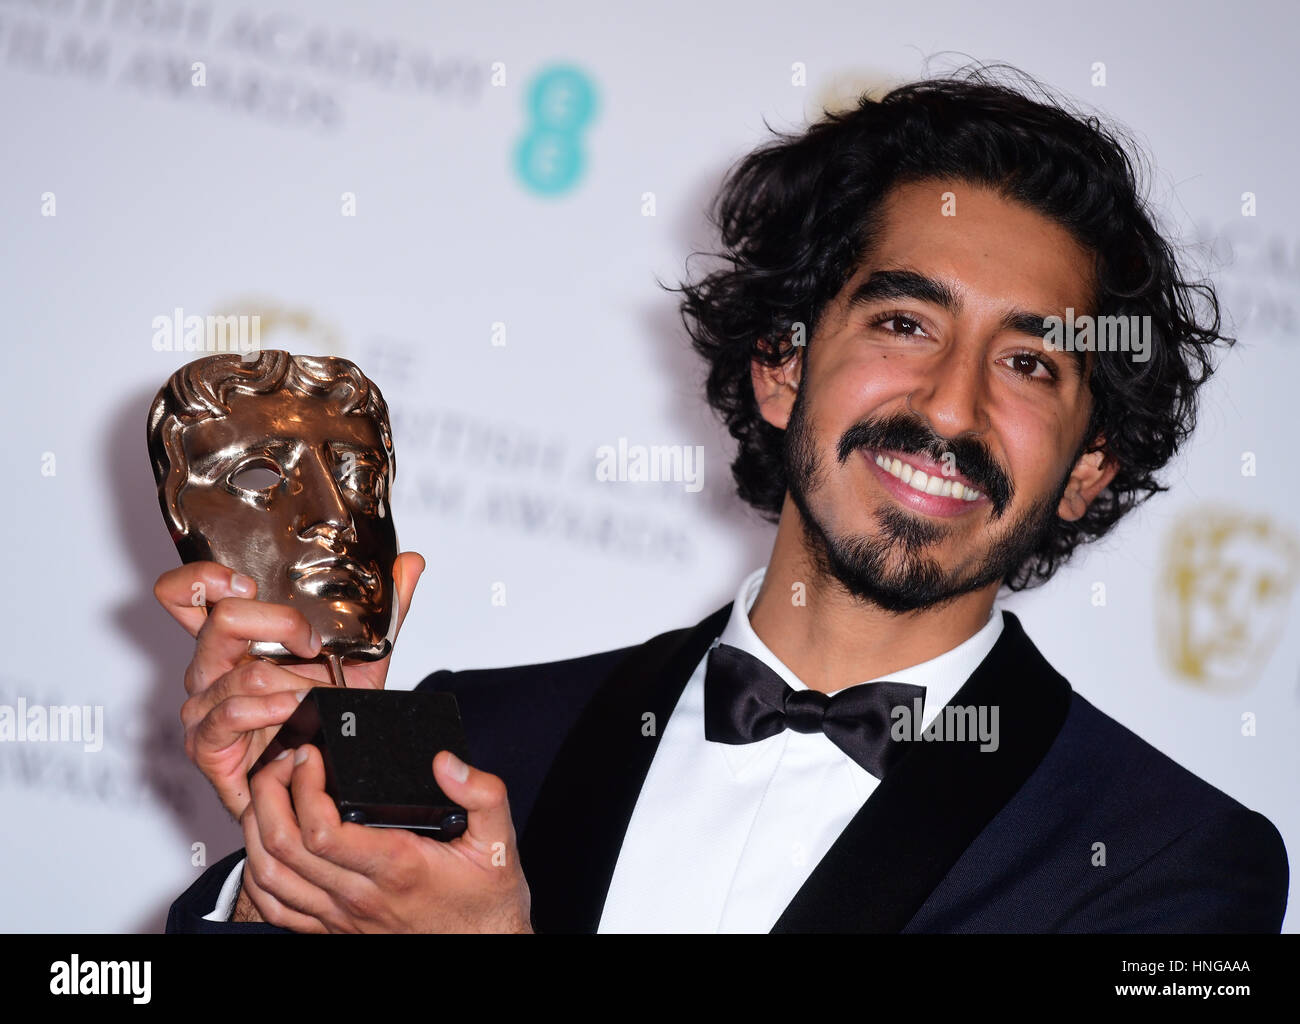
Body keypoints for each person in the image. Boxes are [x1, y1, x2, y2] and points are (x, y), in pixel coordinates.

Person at [160, 67, 1289, 933]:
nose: (951, 407)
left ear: (1088, 467)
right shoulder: (475, 743)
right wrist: (301, 856)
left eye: (1029, 364)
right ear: (781, 364)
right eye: (903, 322)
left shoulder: (1170, 861)